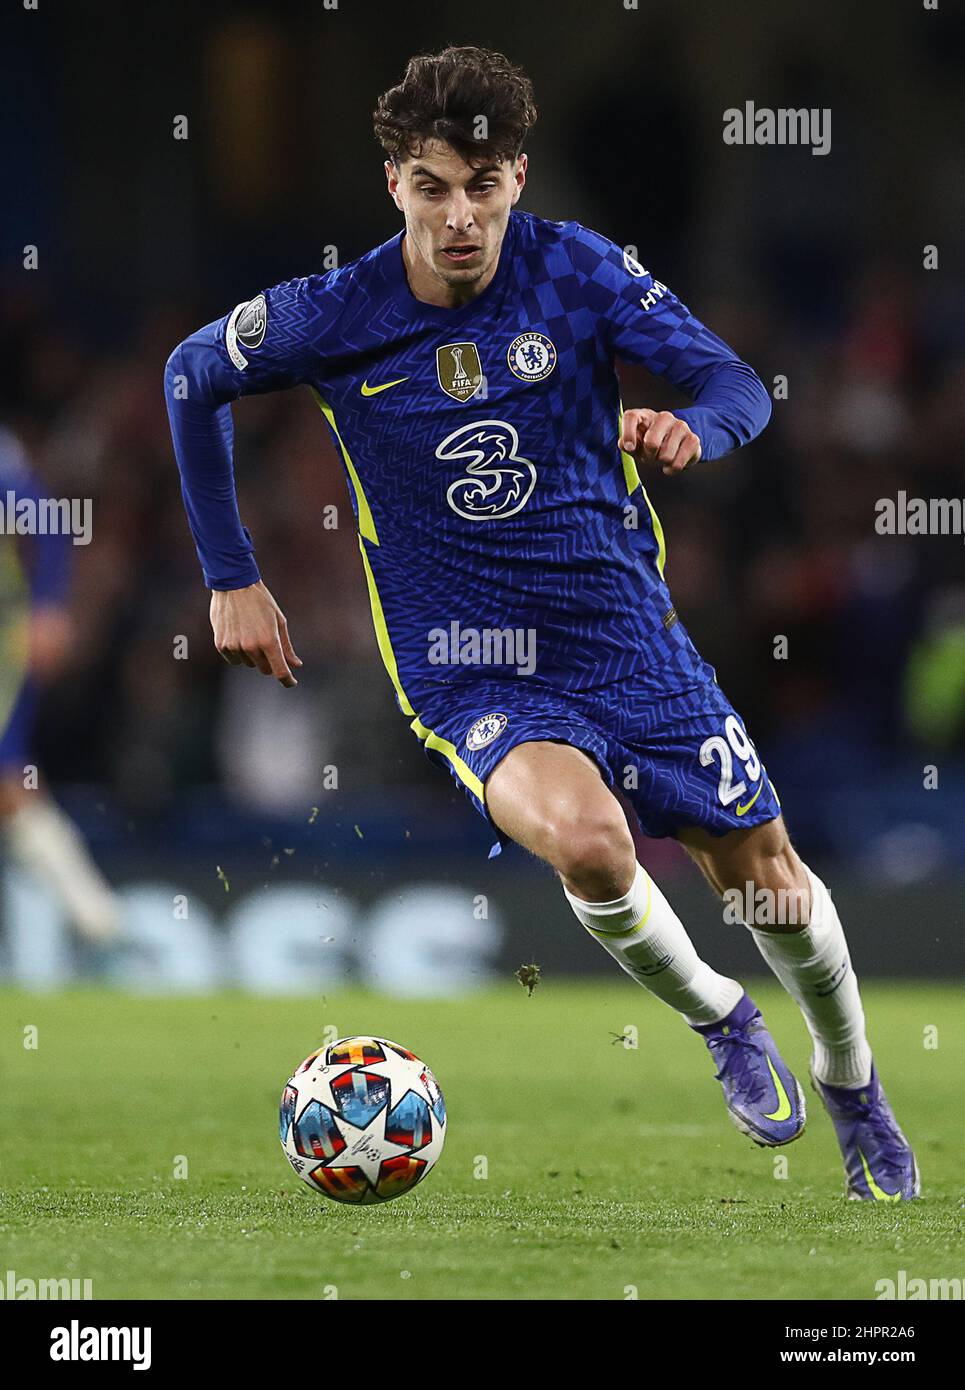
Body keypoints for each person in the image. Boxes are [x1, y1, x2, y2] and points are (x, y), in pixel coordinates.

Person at [165, 46, 917, 1200]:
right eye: (431, 186)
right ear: (392, 186)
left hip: (623, 633)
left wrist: (690, 433)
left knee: (765, 880)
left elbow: (736, 386)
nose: (458, 215)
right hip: (465, 662)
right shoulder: (337, 310)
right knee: (588, 840)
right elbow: (188, 375)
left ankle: (851, 1079)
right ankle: (718, 1017)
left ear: (516, 175)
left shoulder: (579, 274)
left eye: (480, 184)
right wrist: (230, 574)